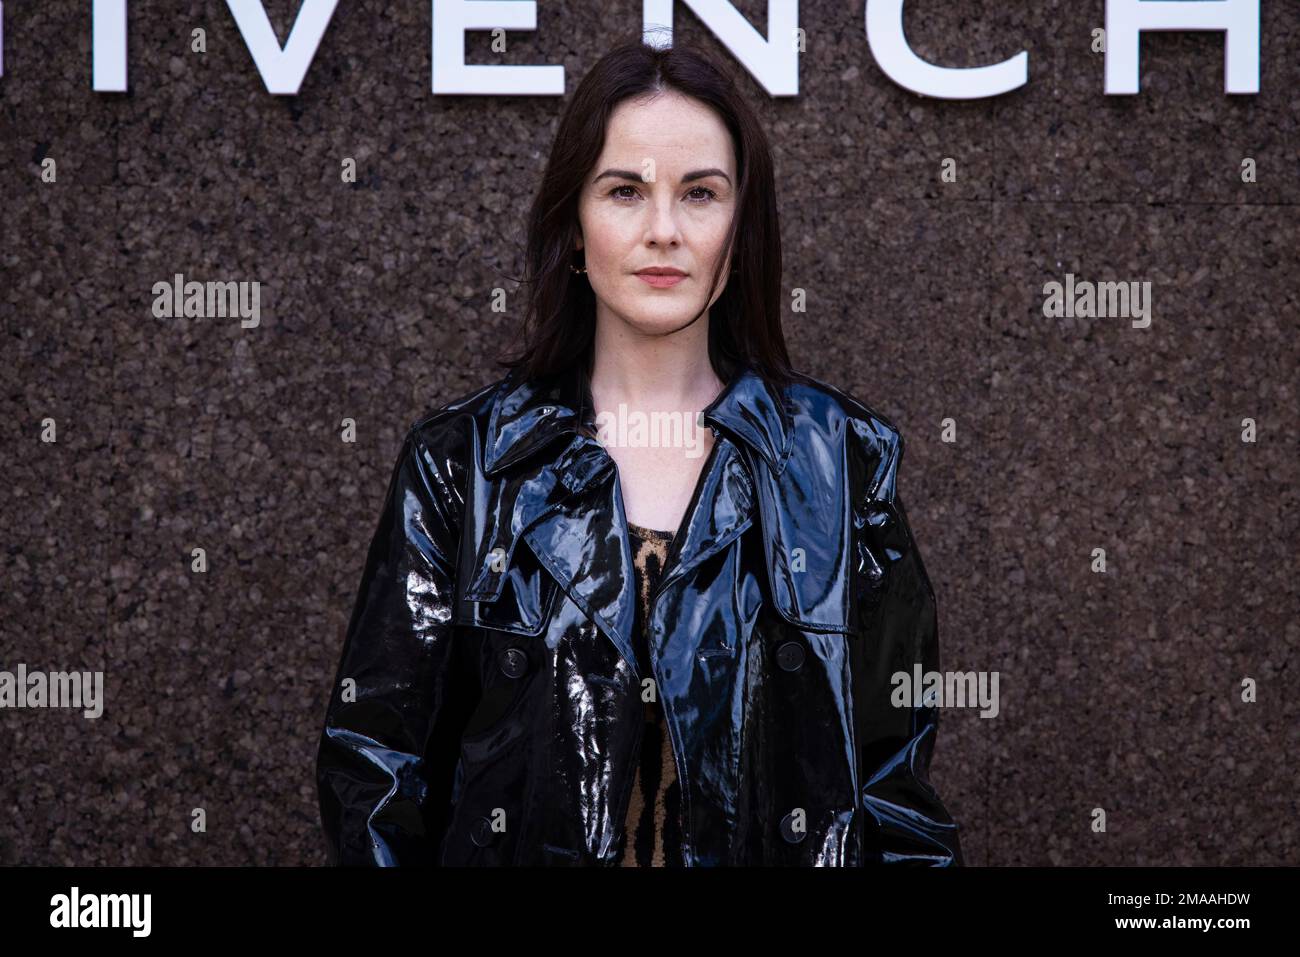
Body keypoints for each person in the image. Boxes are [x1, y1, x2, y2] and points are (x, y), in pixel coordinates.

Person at [315, 38, 964, 867]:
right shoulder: (463, 465)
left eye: (700, 193)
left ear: (741, 230)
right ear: (574, 230)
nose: (663, 230)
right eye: (625, 191)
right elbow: (374, 769)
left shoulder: (841, 466)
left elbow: (896, 797)